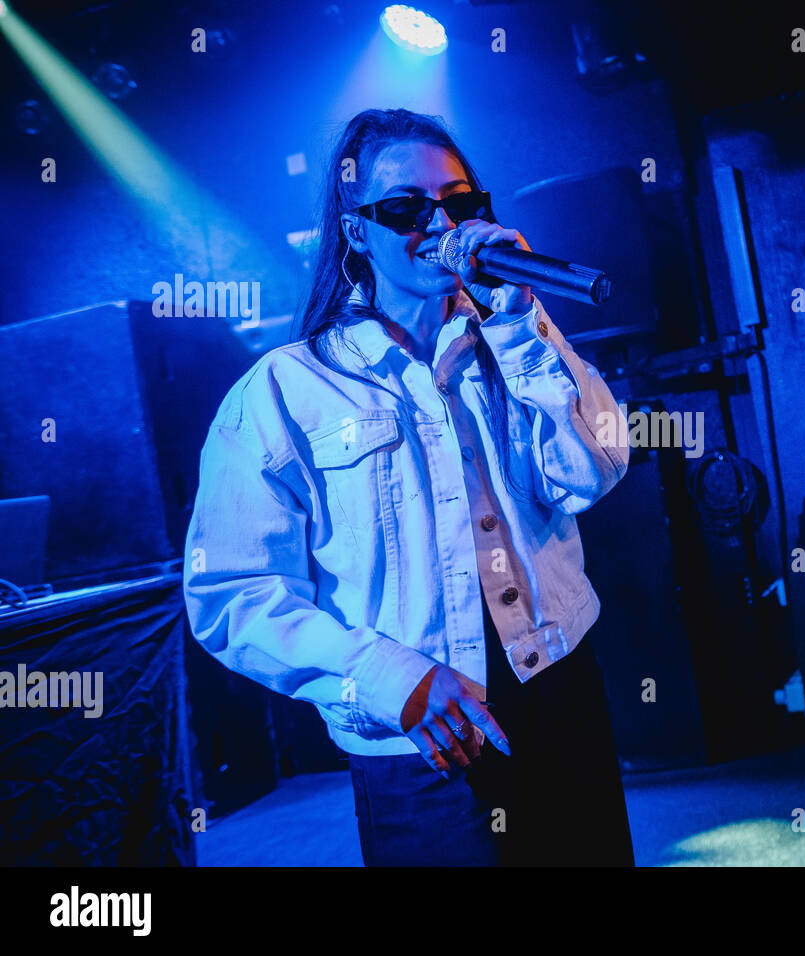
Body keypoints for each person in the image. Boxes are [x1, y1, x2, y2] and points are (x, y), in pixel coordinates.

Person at [182, 108, 634, 866]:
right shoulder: (285, 391)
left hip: (560, 695)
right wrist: (390, 681)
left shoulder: (512, 338)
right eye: (404, 208)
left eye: (459, 203)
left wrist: (523, 321)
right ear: (357, 230)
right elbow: (232, 591)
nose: (438, 223)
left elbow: (596, 469)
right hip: (421, 740)